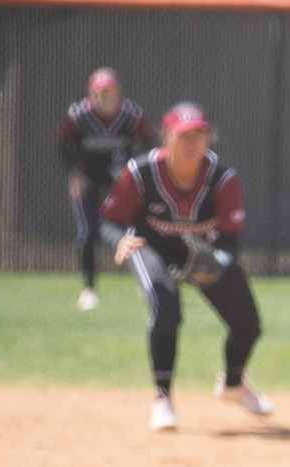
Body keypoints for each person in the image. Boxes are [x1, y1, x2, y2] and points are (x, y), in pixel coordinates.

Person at [103, 103, 273, 432]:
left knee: (249, 325)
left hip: (201, 252)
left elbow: (230, 239)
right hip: (148, 247)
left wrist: (216, 265)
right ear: (167, 137)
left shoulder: (222, 178)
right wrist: (117, 241)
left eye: (200, 134)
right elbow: (109, 221)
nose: (192, 143)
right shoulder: (141, 172)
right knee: (166, 305)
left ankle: (234, 385)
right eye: (184, 136)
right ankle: (163, 397)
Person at [58, 68, 152, 311]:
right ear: (93, 95)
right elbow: (63, 142)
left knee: (135, 231)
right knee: (88, 231)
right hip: (88, 178)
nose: (109, 99)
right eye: (103, 94)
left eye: (113, 93)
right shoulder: (79, 115)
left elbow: (147, 141)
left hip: (119, 179)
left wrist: (134, 172)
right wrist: (74, 173)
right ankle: (88, 289)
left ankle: (146, 283)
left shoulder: (130, 115)